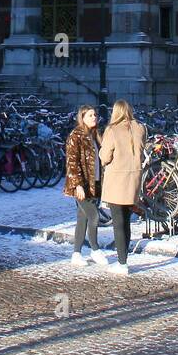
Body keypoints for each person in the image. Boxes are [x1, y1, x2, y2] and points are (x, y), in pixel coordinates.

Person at [99, 99, 146, 275]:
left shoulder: (112, 130)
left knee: (118, 223)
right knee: (126, 222)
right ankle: (124, 258)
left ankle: (122, 262)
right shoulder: (140, 128)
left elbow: (104, 156)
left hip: (117, 179)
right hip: (133, 178)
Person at [64, 104, 108, 266]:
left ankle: (76, 253)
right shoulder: (76, 136)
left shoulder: (95, 134)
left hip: (94, 182)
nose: (94, 117)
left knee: (82, 218)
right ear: (82, 118)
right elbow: (72, 162)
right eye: (90, 115)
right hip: (82, 185)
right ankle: (95, 249)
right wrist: (77, 185)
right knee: (94, 216)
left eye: (95, 115)